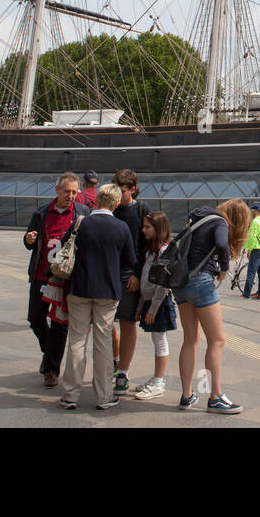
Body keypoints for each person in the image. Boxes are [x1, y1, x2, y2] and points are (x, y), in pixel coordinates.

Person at [60, 183, 136, 410]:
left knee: (77, 340)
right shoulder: (121, 227)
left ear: (98, 200)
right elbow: (130, 260)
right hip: (107, 291)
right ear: (114, 203)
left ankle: (70, 395)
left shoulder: (81, 223)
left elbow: (66, 246)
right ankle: (104, 396)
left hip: (80, 288)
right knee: (103, 344)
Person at [175, 199, 251, 413]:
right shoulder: (220, 222)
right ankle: (215, 397)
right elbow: (221, 243)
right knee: (217, 340)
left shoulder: (197, 218)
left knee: (190, 339)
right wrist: (224, 268)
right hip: (201, 281)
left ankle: (187, 395)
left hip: (181, 283)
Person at [23, 173, 88, 388]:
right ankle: (48, 350)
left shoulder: (82, 213)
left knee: (60, 325)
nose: (71, 196)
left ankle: (51, 369)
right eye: (67, 191)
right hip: (42, 275)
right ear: (57, 190)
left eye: (74, 192)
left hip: (65, 279)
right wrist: (28, 239)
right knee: (35, 318)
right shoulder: (41, 213)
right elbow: (30, 241)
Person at [111, 169, 150, 396]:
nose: (117, 193)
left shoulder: (142, 210)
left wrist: (137, 274)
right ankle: (114, 362)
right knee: (105, 323)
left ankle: (123, 372)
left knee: (127, 322)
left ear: (133, 189)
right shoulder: (110, 209)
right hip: (108, 273)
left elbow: (147, 246)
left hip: (130, 274)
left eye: (121, 190)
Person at [133, 211, 177, 401]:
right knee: (156, 339)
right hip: (150, 302)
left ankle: (159, 381)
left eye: (147, 227)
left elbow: (163, 285)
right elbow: (146, 281)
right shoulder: (152, 250)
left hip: (158, 304)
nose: (143, 230)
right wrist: (142, 305)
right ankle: (156, 379)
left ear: (158, 228)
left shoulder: (163, 251)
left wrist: (152, 309)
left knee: (160, 340)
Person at [241, 204, 260, 299]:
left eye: (252, 211)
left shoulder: (255, 222)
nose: (251, 213)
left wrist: (249, 249)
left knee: (251, 271)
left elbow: (252, 237)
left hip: (256, 249)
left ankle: (246, 293)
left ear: (255, 211)